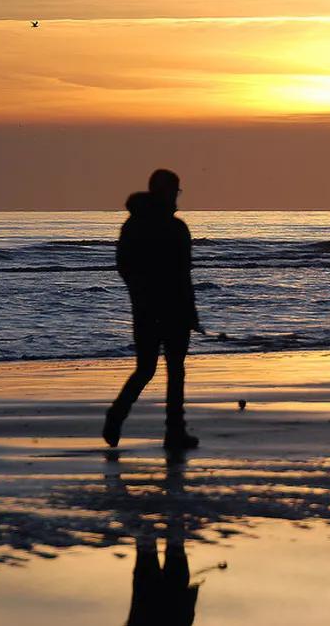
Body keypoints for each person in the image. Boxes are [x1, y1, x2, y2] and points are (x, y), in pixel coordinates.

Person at [104, 169, 203, 450]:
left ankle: (122, 417)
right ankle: (171, 431)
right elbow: (182, 275)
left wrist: (142, 295)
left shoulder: (135, 225)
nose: (176, 197)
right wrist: (189, 311)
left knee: (150, 369)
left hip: (149, 308)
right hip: (165, 308)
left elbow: (125, 267)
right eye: (175, 191)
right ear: (165, 192)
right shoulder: (173, 228)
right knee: (168, 369)